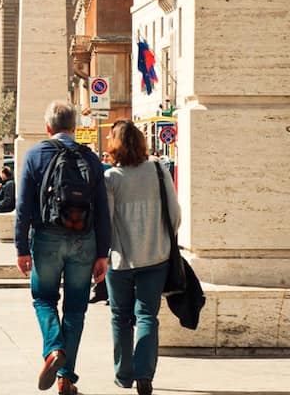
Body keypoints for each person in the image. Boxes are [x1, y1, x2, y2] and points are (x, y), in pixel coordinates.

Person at [15, 101, 111, 395]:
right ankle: (65, 378)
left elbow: (23, 207)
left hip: (46, 238)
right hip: (84, 240)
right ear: (74, 127)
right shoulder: (91, 159)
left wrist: (21, 247)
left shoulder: (35, 156)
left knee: (43, 299)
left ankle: (53, 349)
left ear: (48, 128)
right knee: (76, 309)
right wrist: (102, 253)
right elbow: (103, 210)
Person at [104, 121, 180, 395]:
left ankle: (123, 375)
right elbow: (175, 215)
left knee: (120, 316)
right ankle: (144, 373)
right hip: (156, 257)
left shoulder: (111, 178)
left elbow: (108, 222)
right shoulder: (159, 170)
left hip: (121, 260)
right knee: (147, 314)